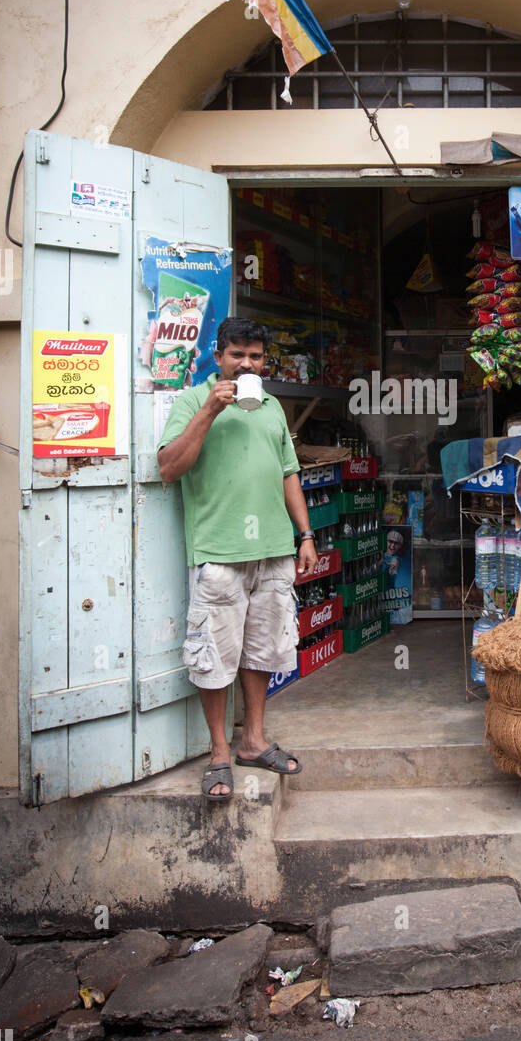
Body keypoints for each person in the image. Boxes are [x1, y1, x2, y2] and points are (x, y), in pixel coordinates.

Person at [157, 317, 318, 802]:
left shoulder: (270, 407)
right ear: (218, 356)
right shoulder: (192, 401)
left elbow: (289, 473)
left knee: (263, 649)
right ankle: (219, 752)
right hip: (219, 551)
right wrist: (208, 409)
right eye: (237, 355)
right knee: (214, 656)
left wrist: (305, 535)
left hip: (273, 550)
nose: (247, 364)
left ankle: (253, 740)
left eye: (255, 357)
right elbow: (168, 468)